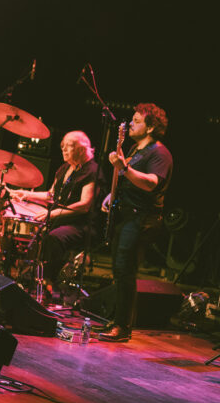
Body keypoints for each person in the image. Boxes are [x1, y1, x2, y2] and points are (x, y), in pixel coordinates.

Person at [99, 103, 172, 342]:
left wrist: (125, 167)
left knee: (125, 270)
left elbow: (151, 183)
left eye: (137, 120)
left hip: (142, 218)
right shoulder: (135, 148)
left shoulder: (159, 153)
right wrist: (112, 194)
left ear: (150, 127)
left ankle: (122, 327)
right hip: (127, 215)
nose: (131, 123)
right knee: (119, 271)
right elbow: (126, 178)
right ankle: (116, 321)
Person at [10, 131, 103, 296]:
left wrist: (52, 214)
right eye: (63, 145)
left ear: (82, 149)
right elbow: (50, 196)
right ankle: (27, 278)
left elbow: (84, 205)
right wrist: (24, 194)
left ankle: (52, 283)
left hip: (81, 225)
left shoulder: (92, 171)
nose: (64, 149)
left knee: (54, 237)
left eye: (69, 145)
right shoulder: (64, 168)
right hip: (60, 220)